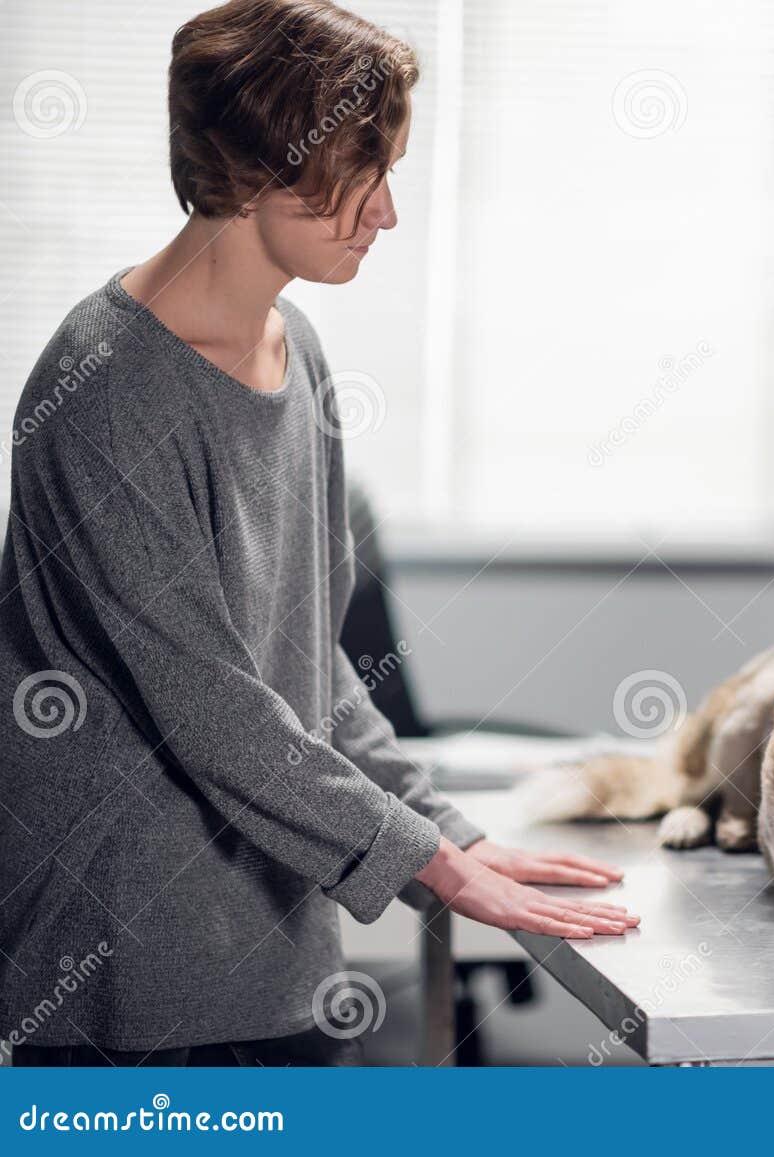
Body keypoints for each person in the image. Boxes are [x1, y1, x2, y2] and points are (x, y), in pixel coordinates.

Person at [0, 0, 636, 1068]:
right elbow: (215, 708)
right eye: (361, 171)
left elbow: (308, 654)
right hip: (128, 964)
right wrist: (432, 865)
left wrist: (449, 827)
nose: (384, 213)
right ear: (252, 169)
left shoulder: (295, 346)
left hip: (270, 928)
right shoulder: (104, 386)